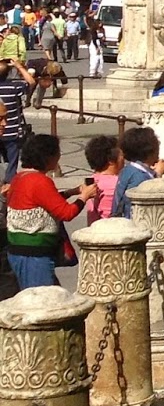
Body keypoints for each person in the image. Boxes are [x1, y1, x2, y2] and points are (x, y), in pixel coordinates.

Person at [2, 134, 95, 288]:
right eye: (57, 153)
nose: (59, 157)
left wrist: (71, 192)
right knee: (42, 301)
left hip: (19, 251)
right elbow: (66, 213)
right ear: (48, 157)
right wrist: (85, 197)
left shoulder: (20, 177)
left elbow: (44, 201)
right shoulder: (40, 181)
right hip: (34, 254)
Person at [0, 59, 33, 182]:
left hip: (6, 131)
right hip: (12, 130)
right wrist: (19, 67)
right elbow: (31, 82)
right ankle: (9, 184)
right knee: (12, 162)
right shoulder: (14, 87)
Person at [84, 133, 123, 224]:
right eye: (121, 156)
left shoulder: (93, 179)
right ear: (111, 161)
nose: (124, 159)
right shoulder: (115, 184)